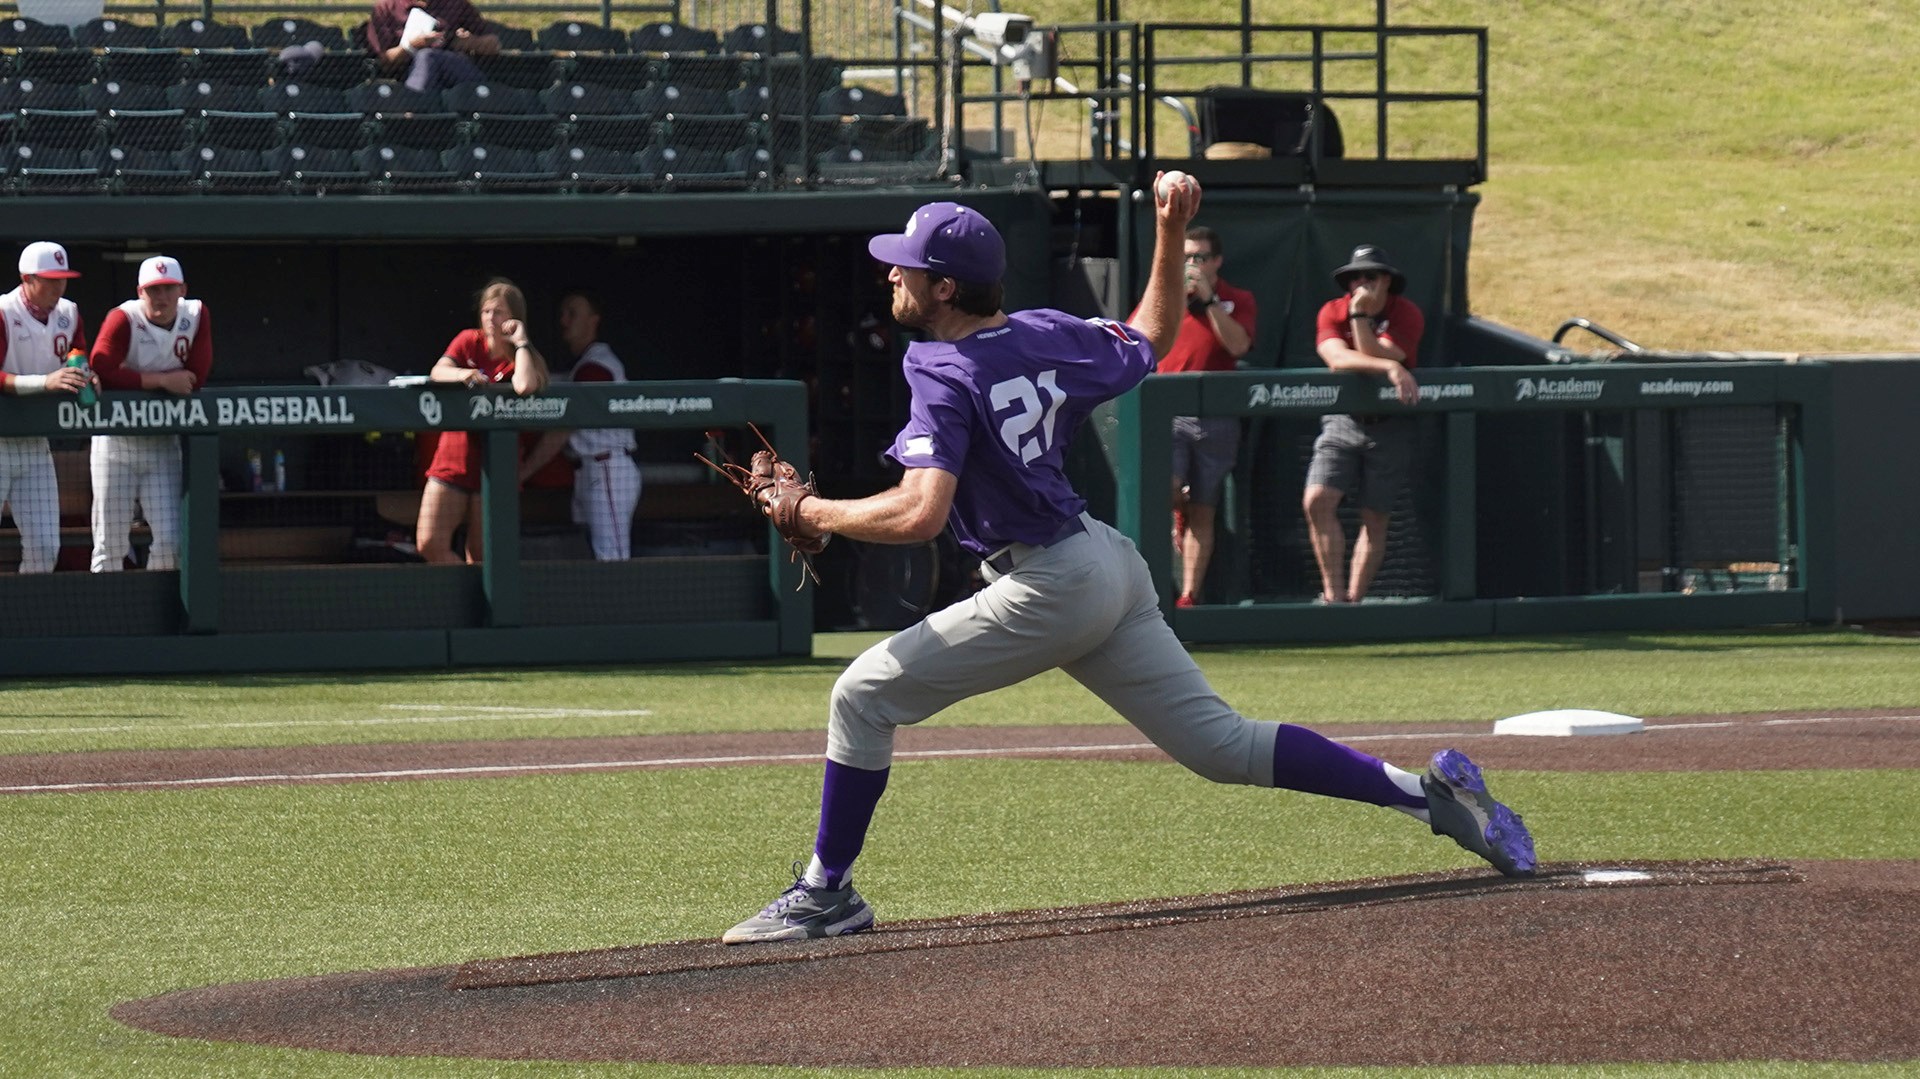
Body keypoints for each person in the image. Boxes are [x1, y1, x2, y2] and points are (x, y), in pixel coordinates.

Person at [720, 191, 1533, 945]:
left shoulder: (939, 365)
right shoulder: (1041, 332)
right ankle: (1426, 795)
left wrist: (805, 512)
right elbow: (1152, 334)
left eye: (907, 264)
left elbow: (920, 511)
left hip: (1047, 585)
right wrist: (1171, 232)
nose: (890, 269)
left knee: (860, 695)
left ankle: (828, 891)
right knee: (1222, 746)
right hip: (1104, 562)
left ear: (943, 289)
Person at [1134, 224, 1256, 608]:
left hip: (1218, 415)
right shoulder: (1163, 297)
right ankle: (1175, 516)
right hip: (1168, 415)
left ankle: (1188, 596)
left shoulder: (1238, 299)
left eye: (1200, 258)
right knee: (1166, 487)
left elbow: (1238, 344)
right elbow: (1134, 336)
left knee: (1205, 507)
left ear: (1216, 262)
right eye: (1186, 257)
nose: (1192, 265)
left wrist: (1209, 302)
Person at [1303, 245, 1426, 605]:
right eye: (1354, 277)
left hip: (1390, 424)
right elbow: (1336, 358)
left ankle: (1354, 601)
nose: (1359, 284)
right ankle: (1334, 597)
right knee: (1317, 500)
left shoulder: (1407, 313)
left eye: (1369, 277)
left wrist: (1361, 324)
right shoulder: (1332, 310)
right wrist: (1388, 369)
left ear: (1386, 281)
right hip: (1343, 419)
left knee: (1375, 516)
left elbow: (1385, 352)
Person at [88, 255, 212, 573]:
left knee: (171, 541)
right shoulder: (123, 317)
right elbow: (100, 366)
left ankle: (157, 617)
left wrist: (137, 379)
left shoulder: (196, 314)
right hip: (116, 448)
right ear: (140, 291)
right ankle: (103, 616)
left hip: (162, 447)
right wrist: (161, 381)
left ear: (182, 289)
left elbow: (196, 375)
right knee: (110, 545)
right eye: (153, 289)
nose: (162, 297)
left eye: (169, 288)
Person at [416, 277, 549, 564]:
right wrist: (462, 374)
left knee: (481, 554)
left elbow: (525, 386)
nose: (491, 318)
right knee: (429, 542)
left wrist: (522, 342)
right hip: (453, 462)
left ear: (514, 316)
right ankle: (463, 598)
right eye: (487, 311)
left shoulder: (523, 355)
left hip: (494, 466)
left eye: (499, 312)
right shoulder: (468, 341)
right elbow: (438, 371)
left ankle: (483, 607)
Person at [519, 289, 641, 560]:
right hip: (590, 471)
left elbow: (562, 431)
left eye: (572, 313)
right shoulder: (583, 366)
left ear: (593, 320)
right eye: (562, 313)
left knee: (612, 559)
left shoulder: (596, 366)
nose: (564, 320)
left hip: (608, 468)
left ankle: (620, 603)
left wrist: (522, 473)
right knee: (590, 557)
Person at [0, 242, 96, 574]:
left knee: (45, 548)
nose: (58, 286)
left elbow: (77, 358)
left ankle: (23, 623)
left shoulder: (68, 313)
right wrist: (44, 383)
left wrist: (88, 376)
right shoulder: (3, 311)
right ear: (26, 278)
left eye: (63, 278)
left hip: (35, 446)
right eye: (50, 279)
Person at [365, 0, 497, 91]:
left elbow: (494, 44)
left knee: (428, 56)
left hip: (455, 74)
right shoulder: (387, 7)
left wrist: (470, 42)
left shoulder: (454, 4)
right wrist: (411, 47)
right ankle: (418, 110)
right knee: (425, 56)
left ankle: (414, 112)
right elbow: (385, 61)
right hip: (405, 75)